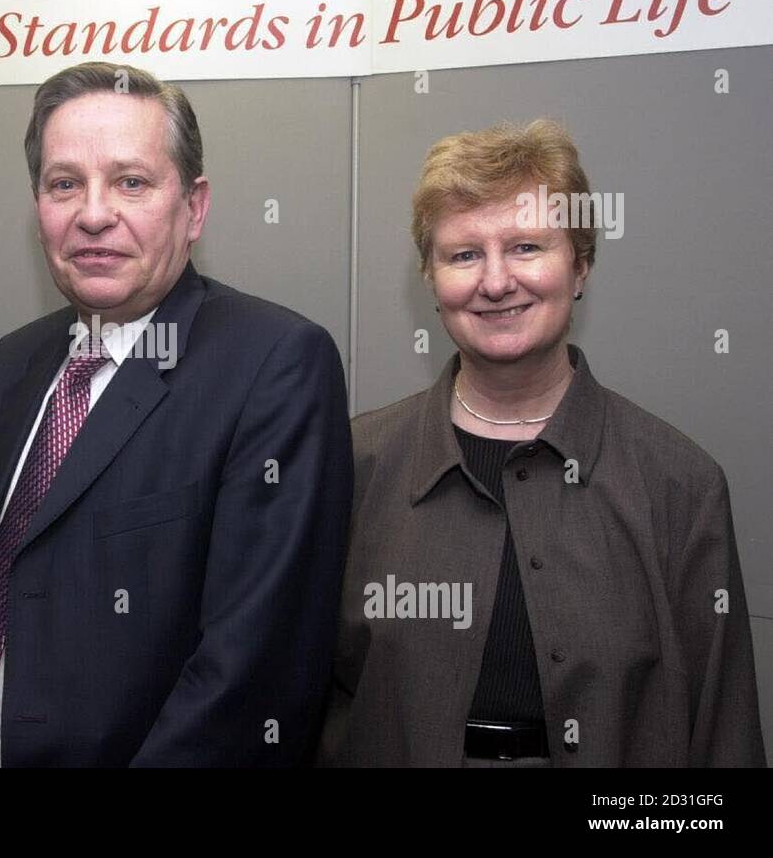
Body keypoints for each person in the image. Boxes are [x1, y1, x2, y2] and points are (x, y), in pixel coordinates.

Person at [0, 61, 351, 767]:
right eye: (64, 183)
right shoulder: (7, 367)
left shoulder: (273, 364)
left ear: (194, 207)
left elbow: (254, 669)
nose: (92, 213)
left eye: (131, 181)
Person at [318, 119, 765, 767]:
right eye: (464, 254)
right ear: (430, 279)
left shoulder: (679, 485)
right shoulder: (355, 466)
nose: (496, 282)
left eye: (526, 246)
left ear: (580, 265)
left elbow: (725, 731)